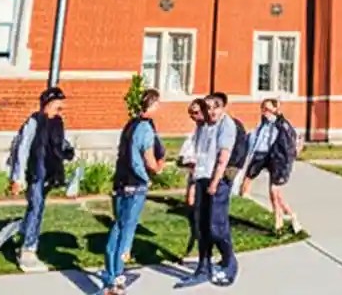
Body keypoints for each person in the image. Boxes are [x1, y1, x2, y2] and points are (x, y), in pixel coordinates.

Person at [0, 87, 76, 272]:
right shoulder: (33, 123)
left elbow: (58, 142)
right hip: (35, 173)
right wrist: (17, 177)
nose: (60, 110)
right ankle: (27, 252)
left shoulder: (57, 123)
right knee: (35, 210)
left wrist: (68, 150)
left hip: (49, 174)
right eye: (58, 106)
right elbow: (22, 150)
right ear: (47, 104)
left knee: (34, 214)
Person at [100, 89, 166, 295]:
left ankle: (110, 272)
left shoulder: (130, 125)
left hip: (120, 182)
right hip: (136, 184)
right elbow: (149, 160)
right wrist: (158, 168)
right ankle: (118, 279)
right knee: (128, 232)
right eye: (158, 104)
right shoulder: (146, 128)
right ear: (152, 105)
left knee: (117, 227)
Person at [177, 92, 246, 288]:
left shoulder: (227, 125)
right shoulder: (204, 126)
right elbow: (198, 156)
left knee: (217, 226)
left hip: (217, 181)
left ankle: (230, 263)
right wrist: (192, 184)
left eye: (215, 106)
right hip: (201, 179)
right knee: (201, 227)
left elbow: (223, 157)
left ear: (223, 107)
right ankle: (203, 267)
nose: (211, 111)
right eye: (208, 107)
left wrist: (215, 183)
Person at [240, 98, 303, 234]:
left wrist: (287, 161)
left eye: (268, 109)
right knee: (249, 191)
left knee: (274, 193)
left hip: (278, 161)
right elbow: (256, 139)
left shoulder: (282, 126)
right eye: (263, 109)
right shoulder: (264, 124)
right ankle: (291, 216)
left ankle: (279, 223)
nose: (265, 112)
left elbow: (290, 145)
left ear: (276, 110)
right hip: (262, 157)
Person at [177, 98, 212, 261]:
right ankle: (195, 240)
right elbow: (188, 149)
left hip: (207, 176)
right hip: (196, 173)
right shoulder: (198, 129)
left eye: (196, 113)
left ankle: (203, 248)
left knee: (202, 212)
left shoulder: (211, 129)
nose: (193, 117)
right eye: (190, 114)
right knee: (191, 209)